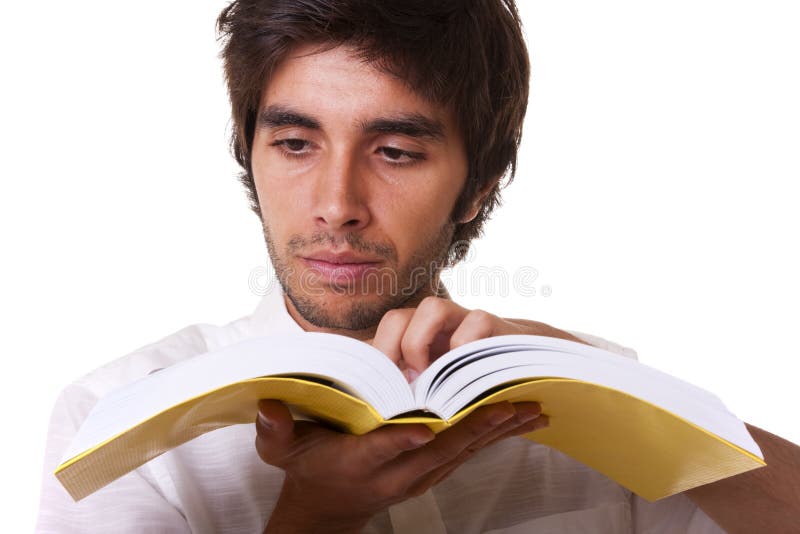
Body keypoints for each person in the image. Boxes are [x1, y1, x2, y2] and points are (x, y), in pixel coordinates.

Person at [36, 1, 800, 533]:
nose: (336, 205)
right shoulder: (114, 416)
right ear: (251, 154)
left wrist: (574, 375)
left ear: (479, 186)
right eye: (296, 144)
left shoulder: (594, 389)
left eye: (396, 152)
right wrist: (317, 515)